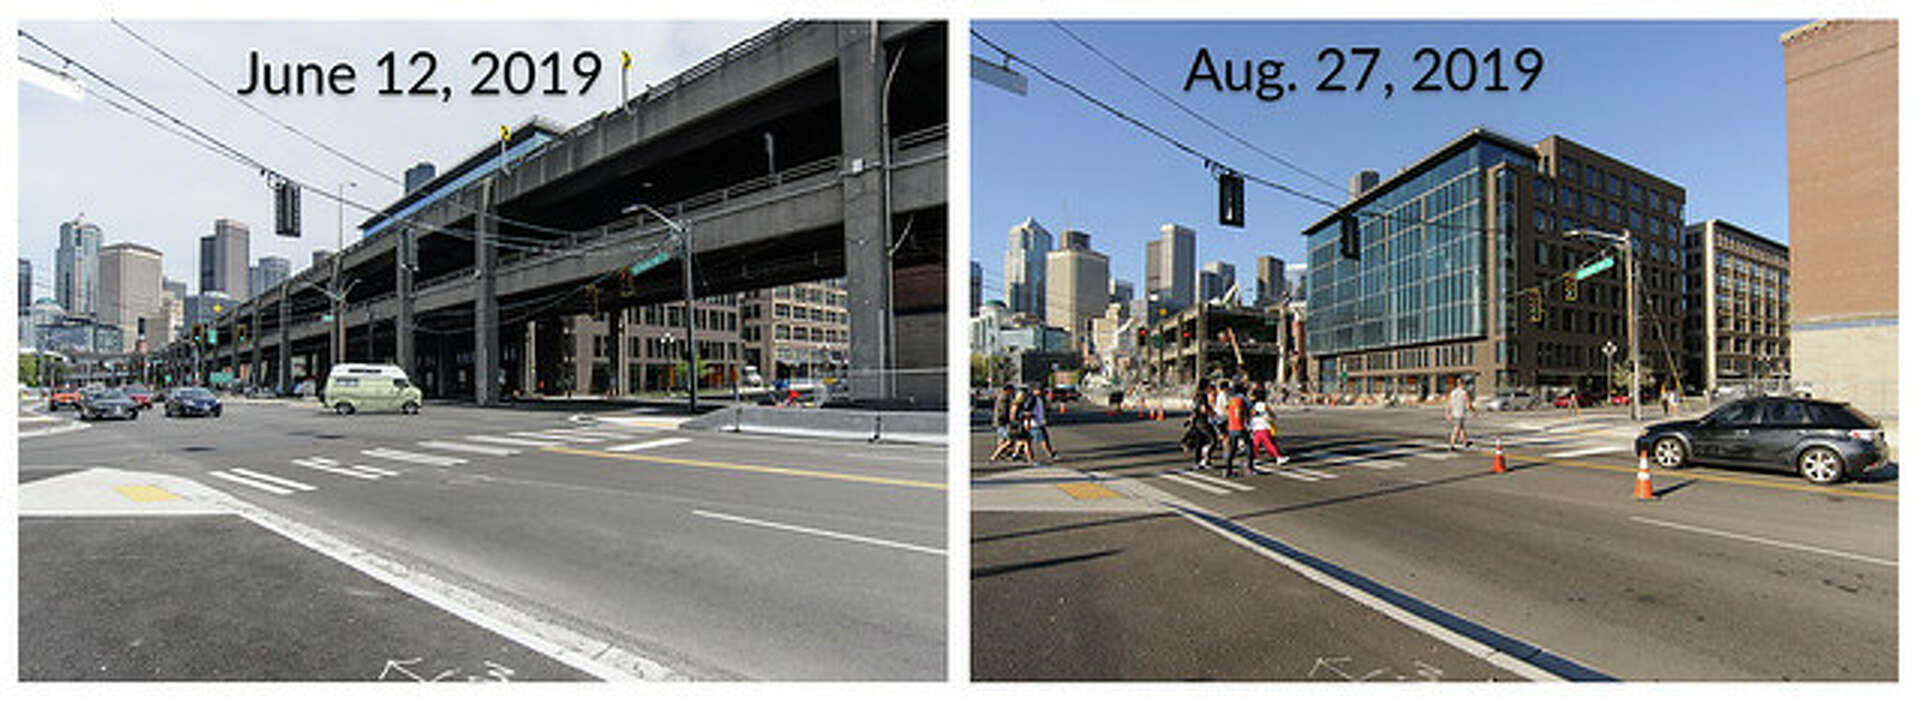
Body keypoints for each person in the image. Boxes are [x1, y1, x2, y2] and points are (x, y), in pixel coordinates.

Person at [1221, 382, 1254, 477]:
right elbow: (1238, 412)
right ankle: (1250, 468)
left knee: (1232, 449)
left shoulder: (1232, 400)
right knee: (1249, 445)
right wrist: (1244, 421)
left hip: (1231, 427)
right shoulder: (1240, 400)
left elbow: (1228, 410)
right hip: (1239, 426)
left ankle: (1228, 469)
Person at [1250, 385, 1288, 468]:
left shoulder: (1253, 405)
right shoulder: (1263, 405)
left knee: (1256, 444)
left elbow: (1252, 414)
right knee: (1268, 443)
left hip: (1256, 427)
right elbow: (1271, 413)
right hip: (1263, 426)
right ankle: (1278, 457)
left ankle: (1254, 459)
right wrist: (1272, 417)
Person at [1183, 382, 1218, 470]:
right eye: (1209, 387)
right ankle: (1205, 458)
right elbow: (1203, 409)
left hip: (1197, 422)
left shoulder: (1196, 396)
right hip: (1203, 422)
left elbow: (1195, 409)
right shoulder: (1203, 396)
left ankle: (1198, 462)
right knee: (1213, 440)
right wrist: (1212, 413)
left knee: (1200, 442)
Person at [1026, 386, 1058, 463]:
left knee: (1027, 441)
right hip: (1035, 424)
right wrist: (1028, 423)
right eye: (1038, 390)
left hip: (1040, 422)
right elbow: (1028, 412)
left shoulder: (1039, 398)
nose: (1040, 392)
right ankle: (1050, 454)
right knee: (1042, 439)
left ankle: (1016, 454)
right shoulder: (1032, 399)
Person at [987, 383, 1017, 462]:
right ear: (1008, 390)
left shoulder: (1004, 396)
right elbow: (1003, 411)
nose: (1013, 391)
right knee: (1009, 439)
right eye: (1012, 390)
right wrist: (1009, 419)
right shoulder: (1004, 397)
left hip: (1000, 422)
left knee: (1002, 440)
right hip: (1001, 422)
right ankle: (995, 456)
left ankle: (1001, 454)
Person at [1447, 377, 1474, 451]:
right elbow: (1468, 404)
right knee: (1456, 429)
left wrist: (1449, 413)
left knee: (1461, 428)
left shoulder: (1453, 392)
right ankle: (1452, 444)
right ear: (1462, 383)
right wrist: (1473, 410)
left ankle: (1465, 443)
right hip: (1460, 413)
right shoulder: (1464, 392)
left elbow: (1450, 404)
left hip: (1454, 413)